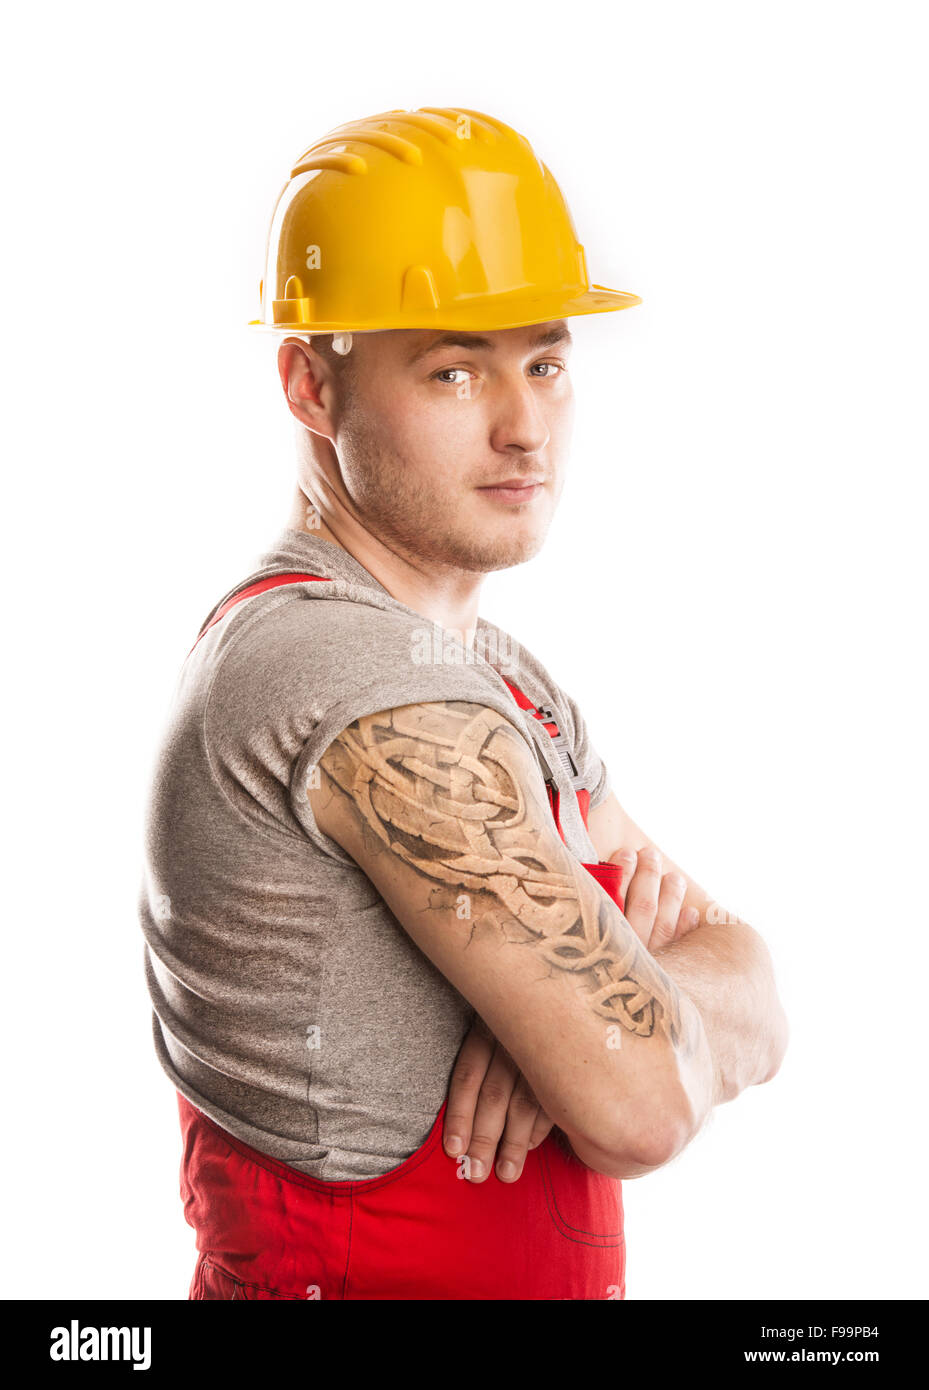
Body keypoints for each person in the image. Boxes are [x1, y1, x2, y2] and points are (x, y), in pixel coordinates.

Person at [140, 105, 788, 1301]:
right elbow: (641, 1105)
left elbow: (753, 986)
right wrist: (609, 1013)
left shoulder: (501, 679)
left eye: (543, 361)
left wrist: (612, 1012)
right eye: (451, 368)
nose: (523, 424)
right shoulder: (343, 676)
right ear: (307, 382)